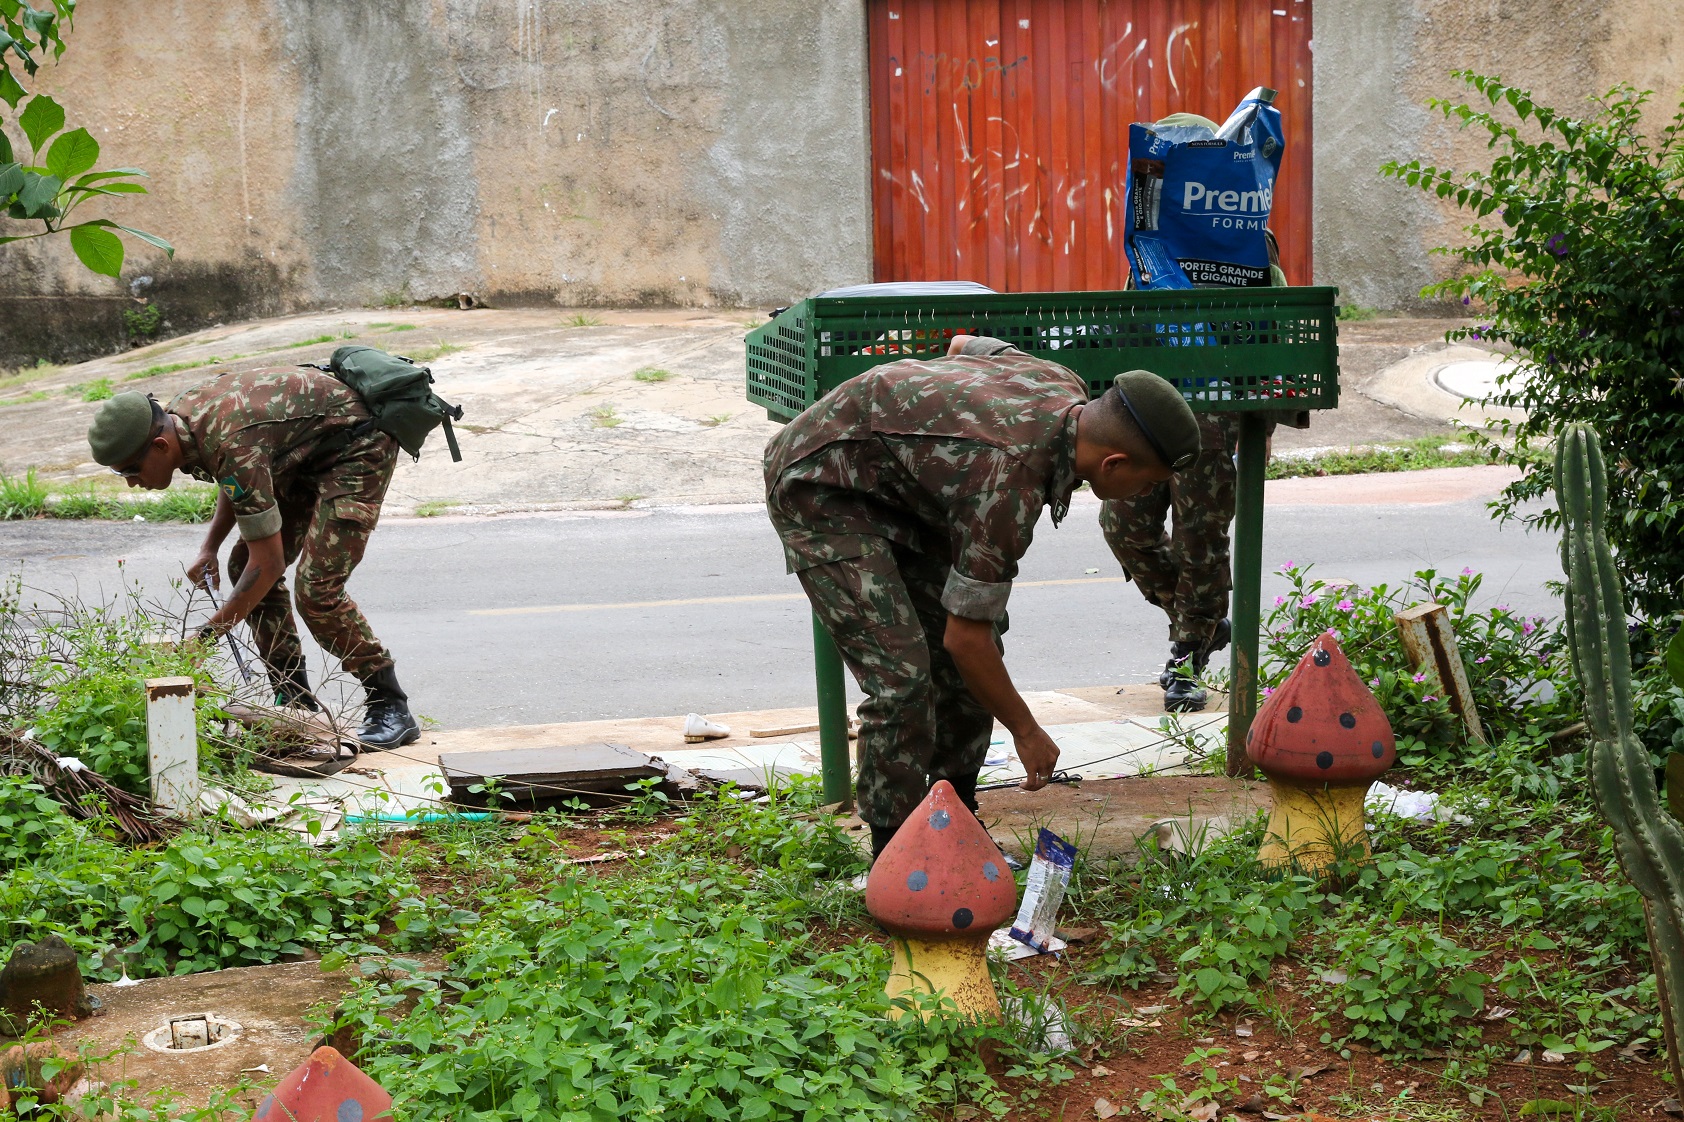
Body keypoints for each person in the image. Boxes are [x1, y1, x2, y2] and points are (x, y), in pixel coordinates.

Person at [764, 334, 1200, 858]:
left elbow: (963, 345)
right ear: (1112, 463)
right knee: (903, 680)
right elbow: (964, 640)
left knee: (973, 661)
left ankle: (958, 831)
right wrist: (1027, 730)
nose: (1142, 495)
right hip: (820, 487)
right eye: (1146, 482)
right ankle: (896, 860)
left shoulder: (1060, 383)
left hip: (904, 492)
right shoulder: (1009, 486)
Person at [85, 373, 419, 749]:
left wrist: (205, 638)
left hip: (357, 447)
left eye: (129, 470)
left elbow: (270, 560)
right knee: (240, 563)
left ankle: (390, 703)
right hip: (304, 454)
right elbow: (236, 479)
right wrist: (209, 546)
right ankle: (294, 697)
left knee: (316, 590)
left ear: (160, 446)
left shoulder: (224, 436)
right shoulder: (183, 423)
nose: (131, 483)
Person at [1099, 414, 1237, 712]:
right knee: (1122, 527)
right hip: (1141, 413)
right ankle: (1205, 627)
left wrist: (1264, 427)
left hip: (1211, 410)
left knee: (1200, 542)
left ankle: (1187, 660)